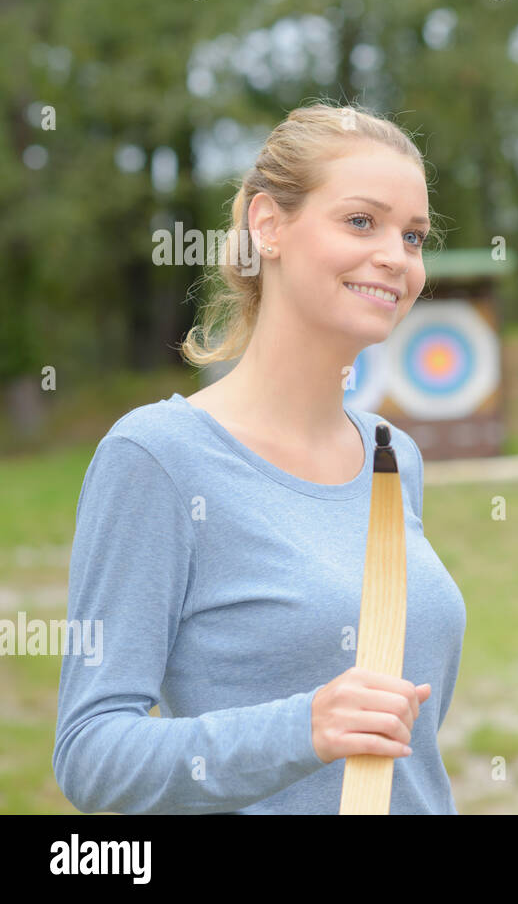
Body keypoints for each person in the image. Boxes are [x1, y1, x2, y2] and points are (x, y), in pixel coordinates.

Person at [53, 103, 466, 814]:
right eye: (362, 222)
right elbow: (91, 753)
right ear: (267, 226)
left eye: (415, 235)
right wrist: (302, 728)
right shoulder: (156, 459)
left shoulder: (394, 457)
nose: (397, 256)